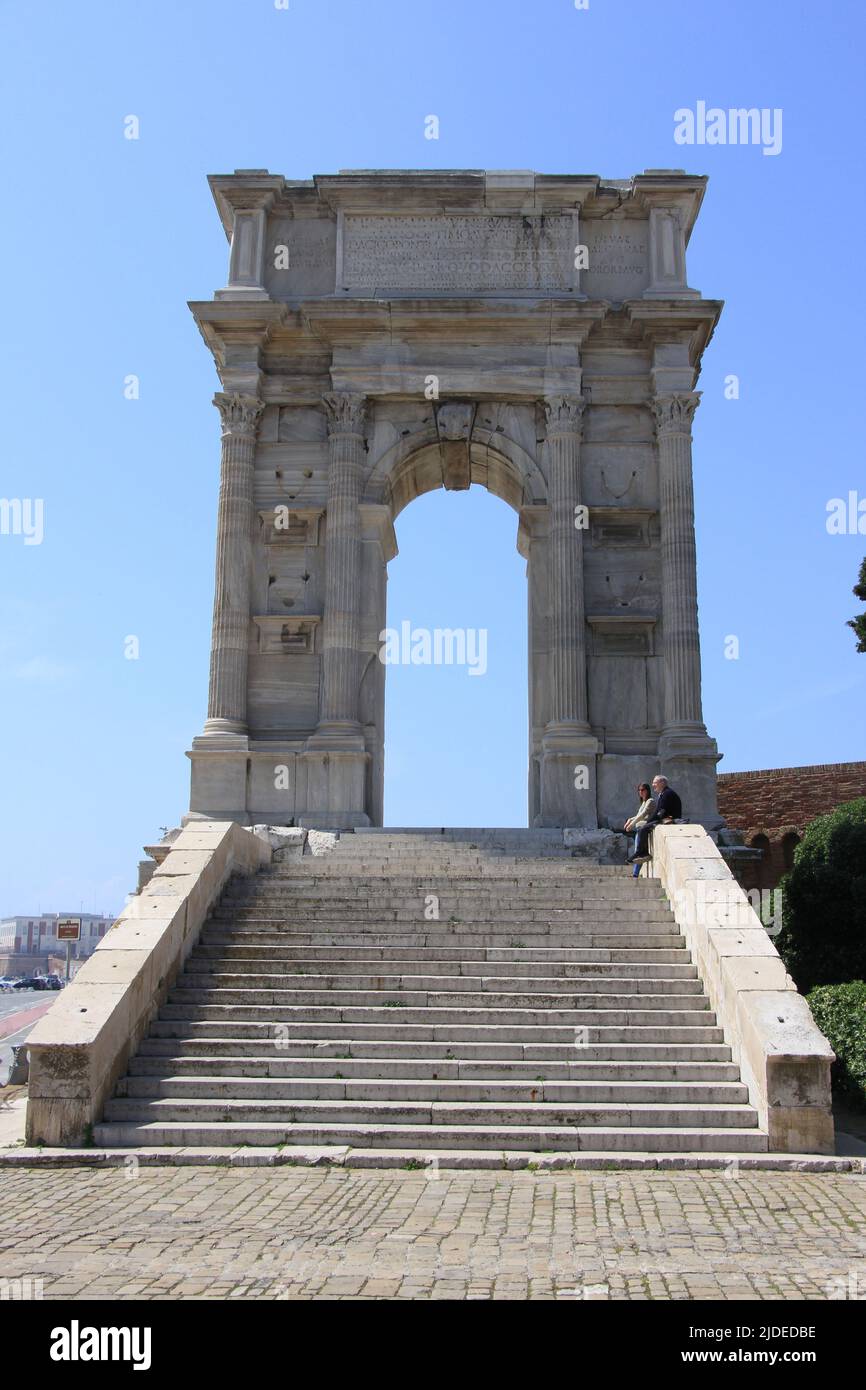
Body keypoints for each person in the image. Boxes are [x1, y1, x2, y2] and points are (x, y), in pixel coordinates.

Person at [628, 775, 683, 864]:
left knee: (643, 828)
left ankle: (642, 853)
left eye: (655, 783)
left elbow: (660, 813)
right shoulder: (663, 794)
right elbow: (658, 812)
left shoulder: (667, 794)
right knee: (643, 827)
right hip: (665, 819)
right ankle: (641, 852)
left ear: (662, 783)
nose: (653, 785)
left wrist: (649, 822)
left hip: (670, 820)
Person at [624, 783, 656, 877]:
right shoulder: (644, 802)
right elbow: (639, 814)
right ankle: (635, 873)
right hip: (639, 830)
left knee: (638, 853)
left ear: (647, 791)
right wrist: (630, 820)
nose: (641, 792)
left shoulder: (650, 801)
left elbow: (642, 815)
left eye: (643, 790)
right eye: (639, 790)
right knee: (638, 852)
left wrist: (631, 824)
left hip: (644, 830)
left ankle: (635, 874)